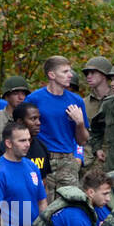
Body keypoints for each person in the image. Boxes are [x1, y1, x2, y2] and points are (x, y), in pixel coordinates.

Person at [25, 56, 89, 201]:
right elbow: (23, 130)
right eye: (65, 71)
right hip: (41, 157)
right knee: (42, 202)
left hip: (67, 159)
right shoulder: (35, 99)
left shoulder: (76, 101)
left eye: (70, 71)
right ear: (52, 75)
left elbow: (82, 140)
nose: (70, 75)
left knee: (71, 203)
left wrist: (79, 123)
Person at [0, 75, 30, 174]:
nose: (21, 97)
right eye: (16, 93)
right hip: (1, 173)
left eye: (23, 94)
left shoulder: (30, 120)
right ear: (6, 96)